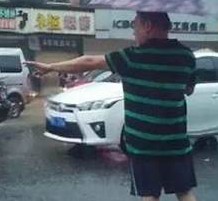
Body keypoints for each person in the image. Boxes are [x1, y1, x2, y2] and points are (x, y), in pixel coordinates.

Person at [26, 12, 197, 201]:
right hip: (176, 141)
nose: (134, 32)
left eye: (135, 26)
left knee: (149, 195)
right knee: (184, 192)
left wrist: (50, 67)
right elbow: (188, 90)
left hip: (144, 144)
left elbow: (89, 61)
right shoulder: (186, 55)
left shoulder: (133, 56)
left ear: (147, 26)